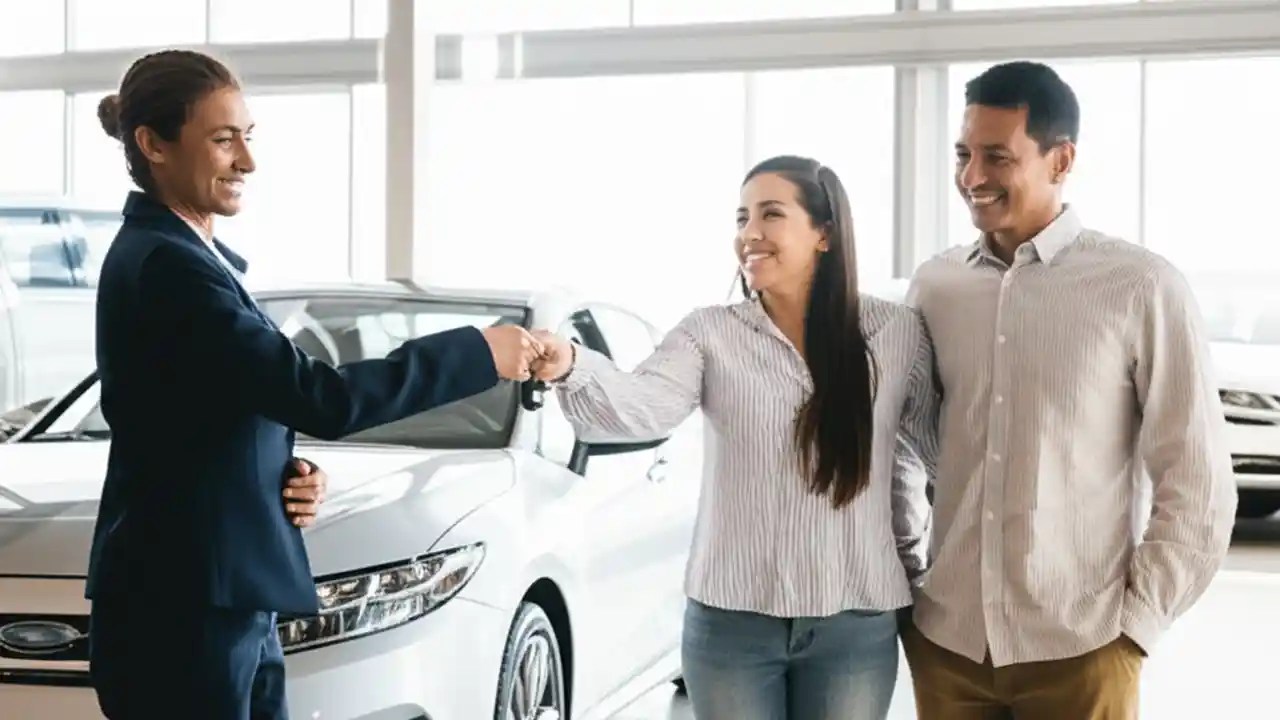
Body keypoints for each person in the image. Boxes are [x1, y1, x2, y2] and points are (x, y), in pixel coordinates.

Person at [87, 49, 542, 720]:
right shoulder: (170, 267)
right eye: (222, 139)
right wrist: (481, 354)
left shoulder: (186, 258)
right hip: (187, 609)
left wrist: (277, 469)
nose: (247, 160)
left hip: (222, 599)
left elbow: (195, 413)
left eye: (248, 136)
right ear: (153, 144)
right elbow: (318, 396)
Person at [530, 155, 939, 719]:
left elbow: (925, 455)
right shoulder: (710, 333)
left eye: (771, 215)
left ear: (825, 234)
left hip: (856, 623)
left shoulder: (895, 333)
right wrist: (571, 364)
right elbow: (640, 409)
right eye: (741, 217)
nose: (749, 234)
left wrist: (921, 564)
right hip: (730, 627)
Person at [901, 60, 1238, 720]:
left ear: (1061, 160)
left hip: (1080, 649)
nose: (972, 178)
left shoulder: (1140, 286)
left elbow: (1195, 477)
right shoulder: (935, 286)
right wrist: (913, 585)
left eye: (998, 156)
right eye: (963, 154)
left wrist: (1135, 626)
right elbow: (910, 446)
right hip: (948, 646)